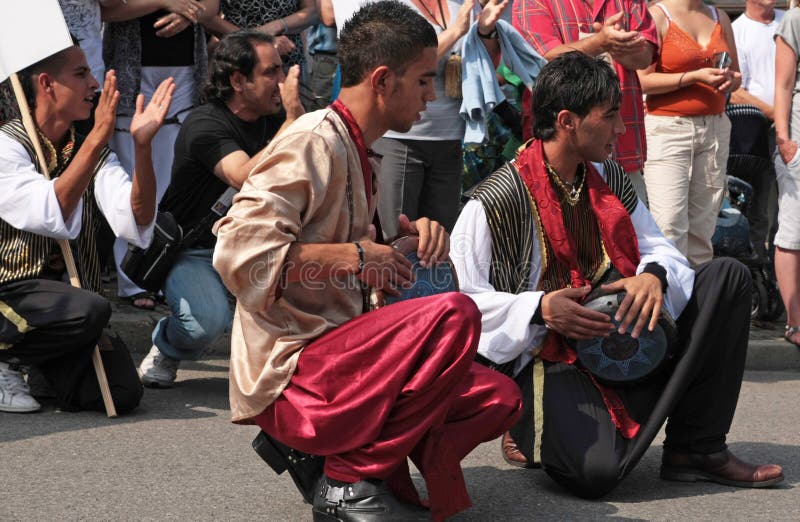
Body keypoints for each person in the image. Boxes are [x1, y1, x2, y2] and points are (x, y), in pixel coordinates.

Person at [212, 2, 522, 520]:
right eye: (423, 81)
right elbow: (238, 255)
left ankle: (354, 461)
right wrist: (356, 255)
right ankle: (346, 480)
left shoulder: (358, 145)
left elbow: (354, 270)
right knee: (455, 314)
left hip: (341, 350)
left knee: (498, 397)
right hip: (293, 367)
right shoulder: (313, 139)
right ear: (382, 80)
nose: (431, 95)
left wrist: (400, 248)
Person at [450, 51, 784, 498]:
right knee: (596, 475)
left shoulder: (606, 177)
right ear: (567, 121)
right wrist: (539, 309)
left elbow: (656, 247)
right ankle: (532, 427)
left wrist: (654, 275)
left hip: (625, 335)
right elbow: (463, 303)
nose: (621, 129)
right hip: (553, 361)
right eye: (609, 116)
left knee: (727, 276)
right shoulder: (493, 201)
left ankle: (696, 448)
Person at [0, 42, 174, 413]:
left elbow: (136, 219)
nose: (94, 84)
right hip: (9, 293)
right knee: (89, 309)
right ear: (46, 84)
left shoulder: (91, 151)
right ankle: (5, 361)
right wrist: (98, 136)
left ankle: (41, 367)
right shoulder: (7, 145)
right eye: (81, 74)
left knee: (121, 392)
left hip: (66, 307)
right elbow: (50, 211)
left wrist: (142, 147)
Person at [138, 30, 304, 387]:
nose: (282, 80)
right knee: (203, 325)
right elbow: (243, 175)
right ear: (238, 81)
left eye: (282, 68)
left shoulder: (276, 118)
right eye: (271, 72)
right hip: (198, 250)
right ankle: (168, 344)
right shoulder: (204, 123)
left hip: (259, 246)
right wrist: (294, 124)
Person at [327, 0, 509, 238]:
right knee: (395, 237)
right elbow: (379, 63)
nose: (430, 93)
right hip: (398, 137)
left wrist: (484, 32)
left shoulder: (460, 3)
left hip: (450, 136)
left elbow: (484, 66)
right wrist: (455, 32)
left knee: (440, 243)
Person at [102, 0, 212, 309]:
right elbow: (108, 9)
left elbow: (211, 5)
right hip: (133, 71)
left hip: (186, 69)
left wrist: (189, 13)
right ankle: (134, 279)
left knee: (175, 177)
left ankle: (163, 273)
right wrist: (165, 2)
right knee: (132, 176)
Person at [512, 0, 657, 204]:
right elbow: (542, 63)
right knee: (563, 222)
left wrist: (618, 44)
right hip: (561, 165)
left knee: (634, 223)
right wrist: (599, 43)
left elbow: (645, 56)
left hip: (624, 155)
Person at [637, 0, 741, 267]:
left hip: (715, 128)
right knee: (669, 225)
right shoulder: (657, 16)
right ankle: (670, 289)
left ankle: (698, 291)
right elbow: (642, 80)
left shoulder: (720, 17)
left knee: (703, 230)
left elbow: (738, 76)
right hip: (668, 129)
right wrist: (693, 77)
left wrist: (730, 79)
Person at [730, 0, 785, 261]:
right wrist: (776, 113)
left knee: (790, 207)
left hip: (793, 126)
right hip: (758, 133)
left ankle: (782, 268)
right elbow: (735, 91)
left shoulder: (789, 22)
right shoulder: (736, 30)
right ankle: (761, 271)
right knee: (759, 208)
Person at [773, 6, 800, 348]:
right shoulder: (795, 20)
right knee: (793, 233)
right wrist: (784, 140)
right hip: (797, 139)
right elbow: (782, 83)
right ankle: (795, 322)